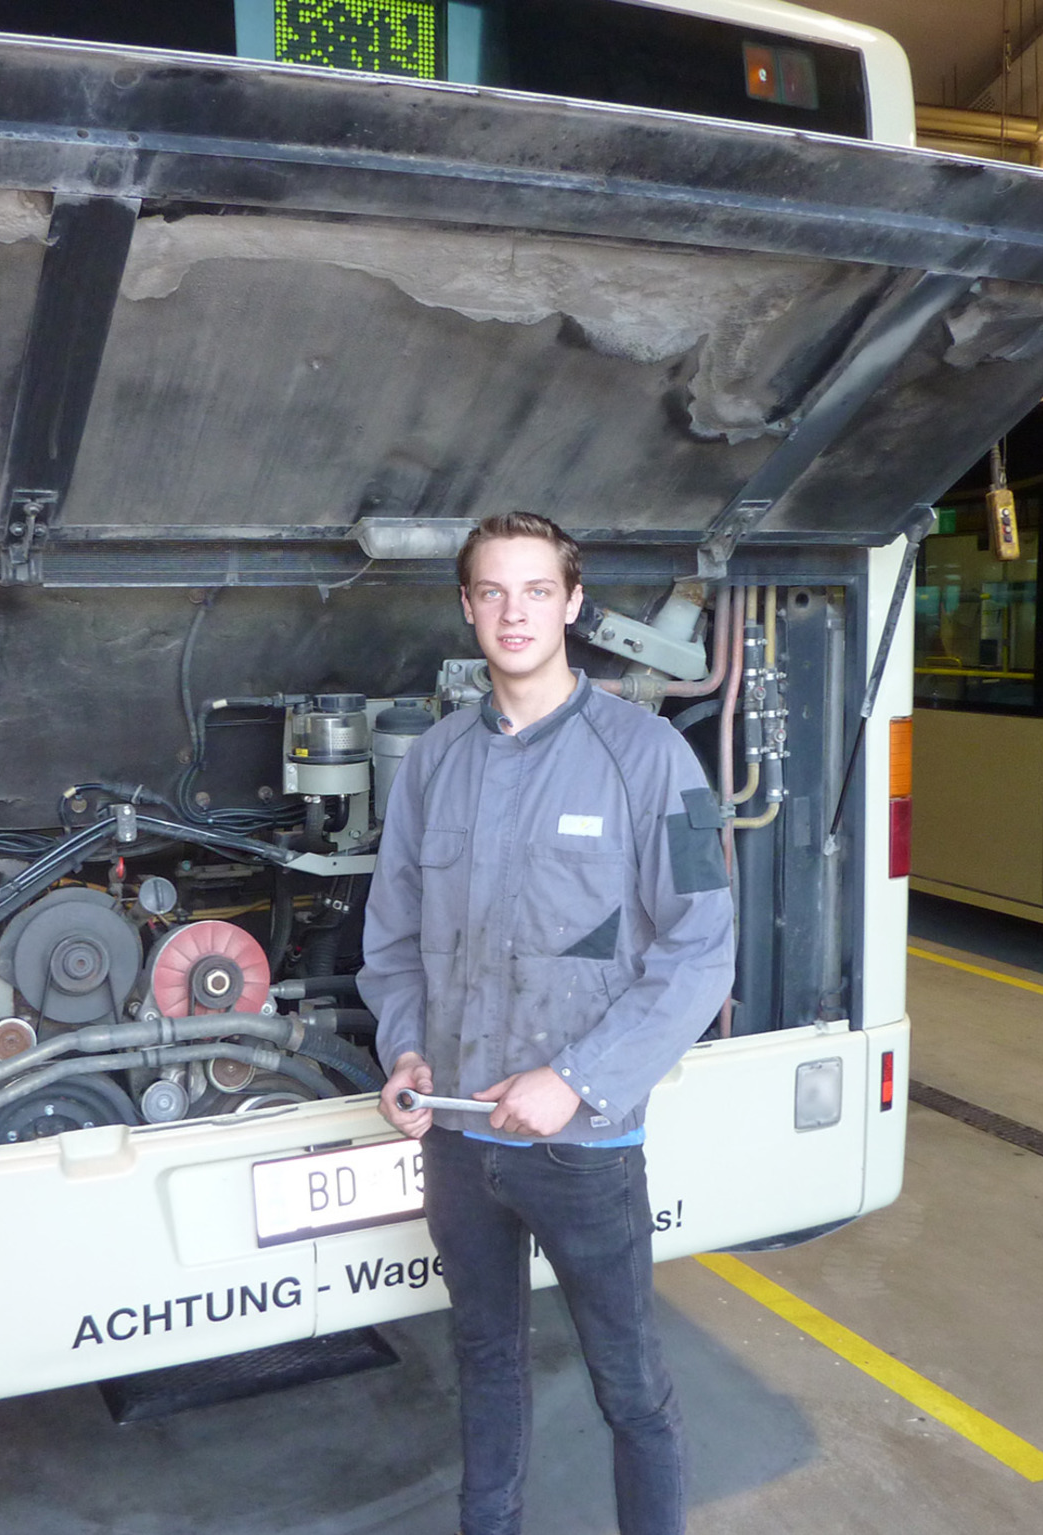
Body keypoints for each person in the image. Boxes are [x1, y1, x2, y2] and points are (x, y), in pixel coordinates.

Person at [359, 512, 735, 1535]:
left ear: (572, 604)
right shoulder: (432, 763)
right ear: (466, 608)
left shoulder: (652, 757)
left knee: (631, 1388)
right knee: (483, 1367)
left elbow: (701, 948)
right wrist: (403, 1044)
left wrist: (573, 1076)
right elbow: (392, 940)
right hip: (453, 1137)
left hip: (582, 1146)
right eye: (492, 591)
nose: (513, 611)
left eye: (535, 590)